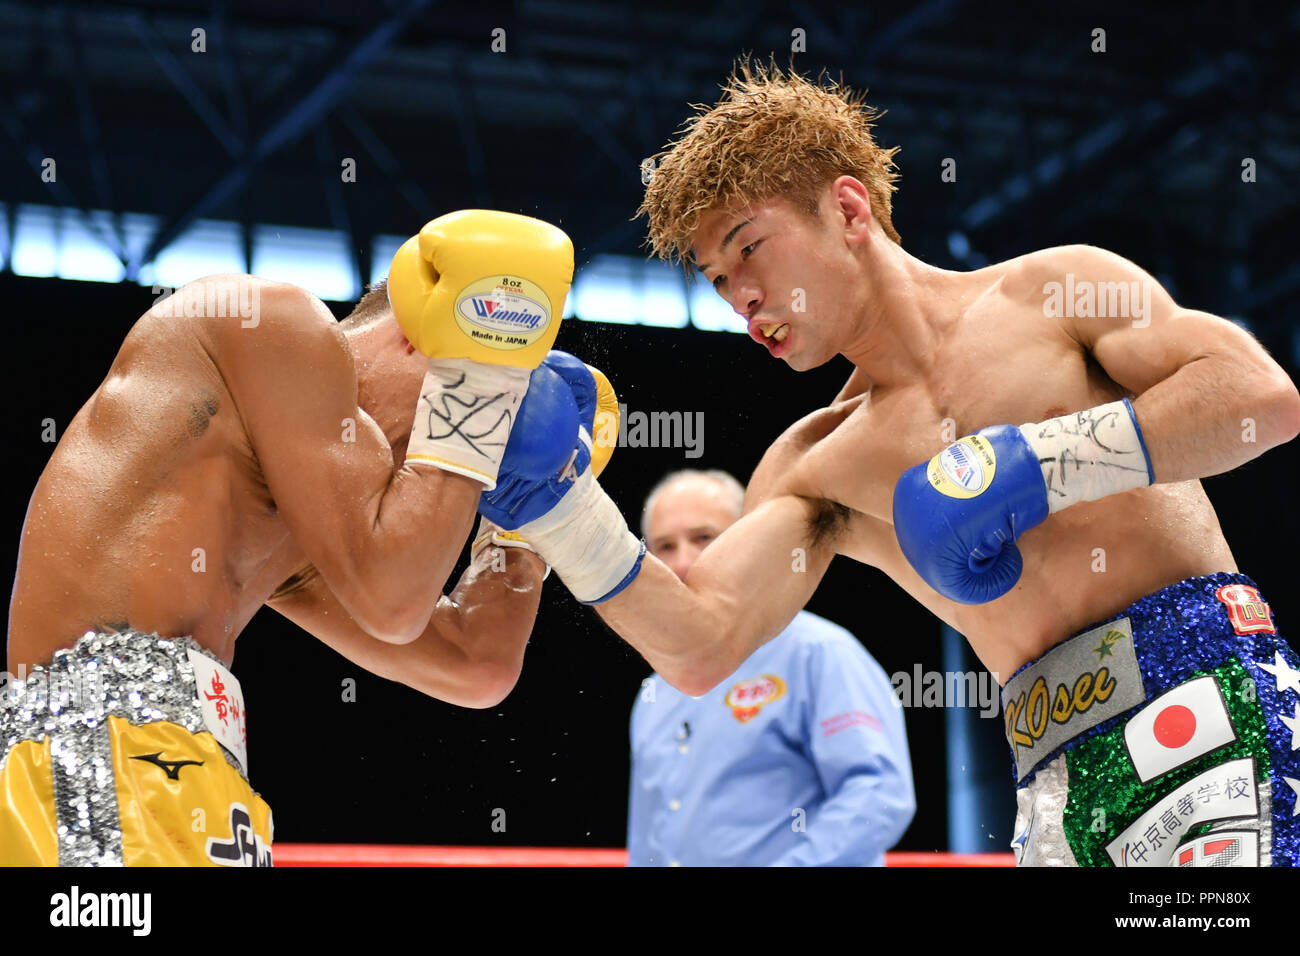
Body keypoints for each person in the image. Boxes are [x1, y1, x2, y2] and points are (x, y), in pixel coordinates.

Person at [483, 63, 1300, 867]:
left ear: (847, 209)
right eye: (720, 280)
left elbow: (1258, 397)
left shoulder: (1051, 295)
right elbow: (701, 648)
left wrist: (1041, 464)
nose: (743, 298)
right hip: (1053, 778)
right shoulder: (816, 465)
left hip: (1201, 691)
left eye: (750, 249)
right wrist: (562, 511)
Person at [1, 209, 603, 866]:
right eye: (460, 394)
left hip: (186, 773)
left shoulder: (306, 525)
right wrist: (488, 378)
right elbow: (395, 602)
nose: (462, 447)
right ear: (416, 334)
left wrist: (519, 518)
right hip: (98, 757)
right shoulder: (270, 322)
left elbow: (475, 664)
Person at [627, 469, 913, 866]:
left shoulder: (820, 654)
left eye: (703, 538)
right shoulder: (654, 693)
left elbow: (879, 794)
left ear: (749, 542)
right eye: (664, 547)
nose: (683, 562)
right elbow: (648, 844)